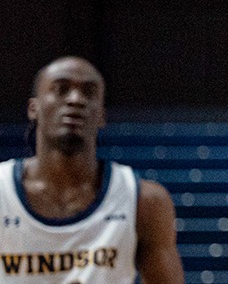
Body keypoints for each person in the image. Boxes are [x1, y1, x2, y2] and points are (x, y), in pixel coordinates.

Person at [0, 57, 182, 284]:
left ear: (102, 116)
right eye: (61, 89)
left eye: (89, 92)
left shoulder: (144, 201)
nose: (76, 100)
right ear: (33, 108)